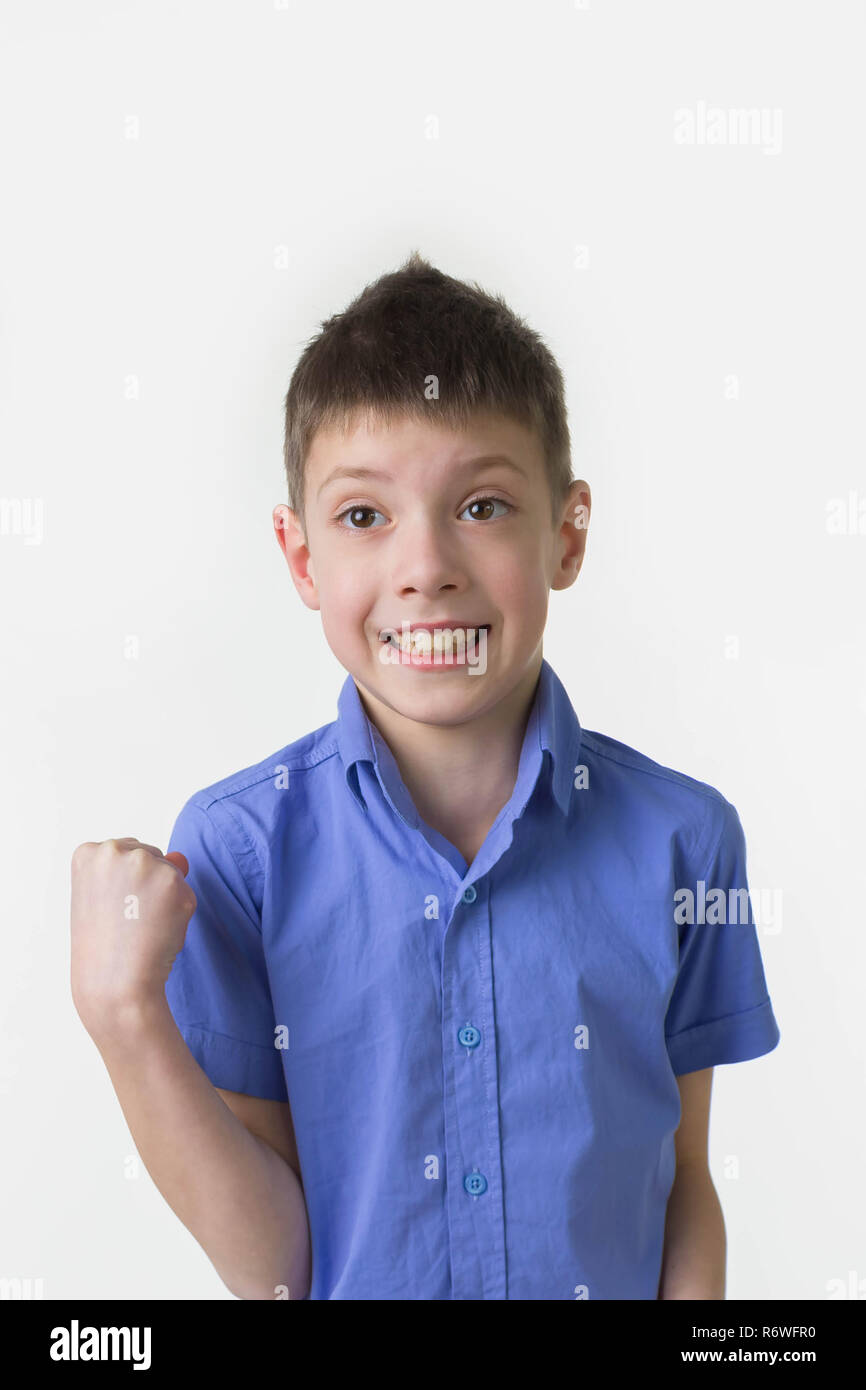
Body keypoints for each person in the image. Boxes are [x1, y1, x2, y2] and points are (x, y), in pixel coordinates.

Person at [70, 251, 781, 1300]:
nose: (425, 565)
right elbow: (275, 1269)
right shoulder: (233, 854)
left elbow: (678, 1183)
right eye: (363, 516)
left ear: (567, 532)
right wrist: (123, 1016)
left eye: (482, 505)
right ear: (302, 558)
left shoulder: (683, 836)